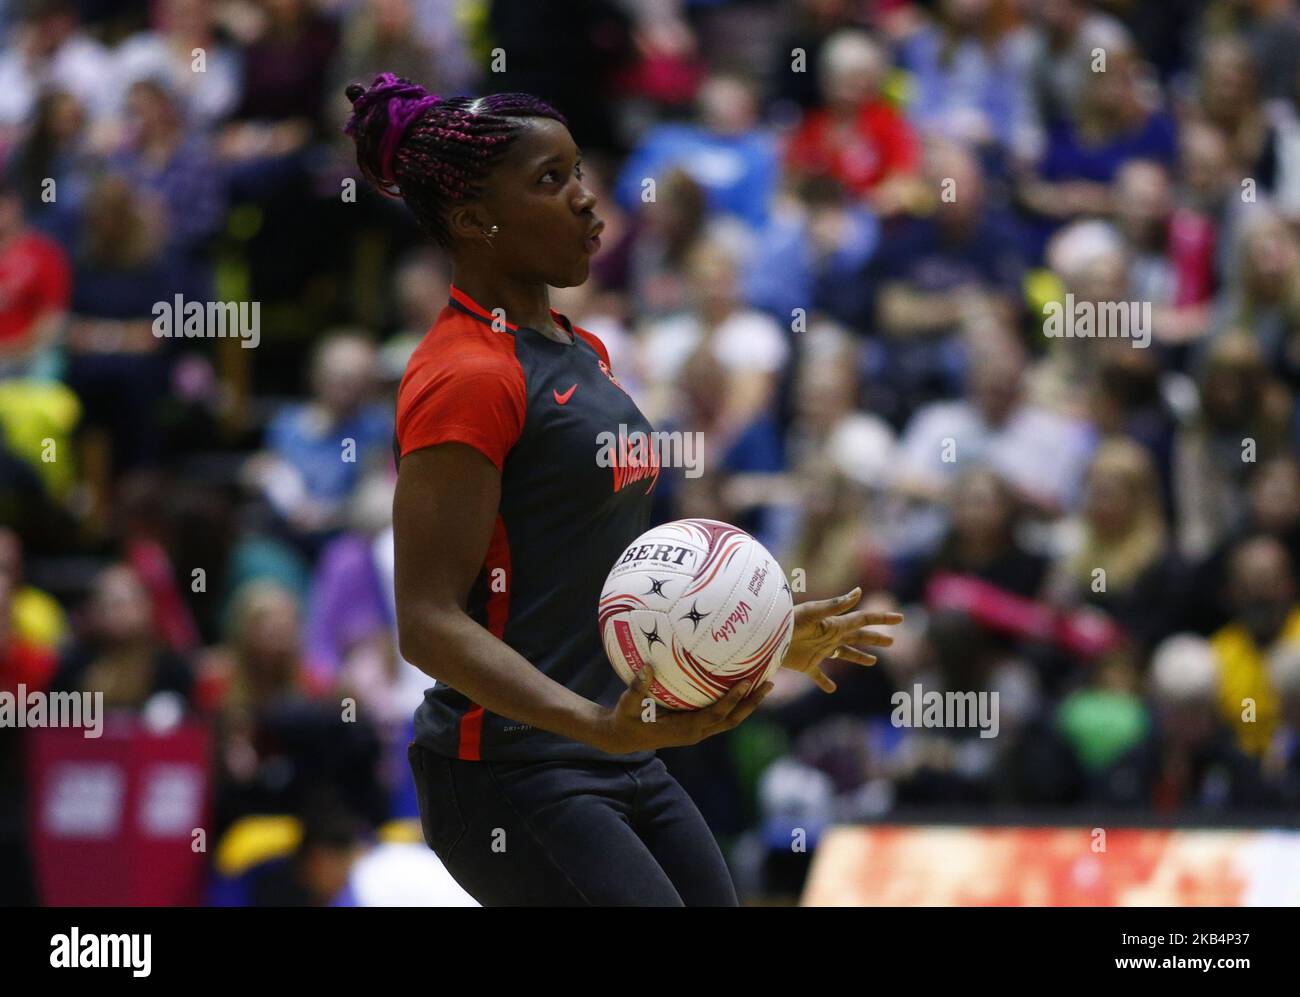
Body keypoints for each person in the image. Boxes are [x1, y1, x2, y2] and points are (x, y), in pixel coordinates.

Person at [344, 73, 902, 906]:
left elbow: (602, 576)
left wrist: (761, 634)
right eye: (549, 180)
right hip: (508, 770)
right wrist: (592, 724)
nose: (584, 200)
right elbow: (426, 622)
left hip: (616, 749)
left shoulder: (584, 353)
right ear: (471, 221)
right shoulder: (465, 373)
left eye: (577, 172)